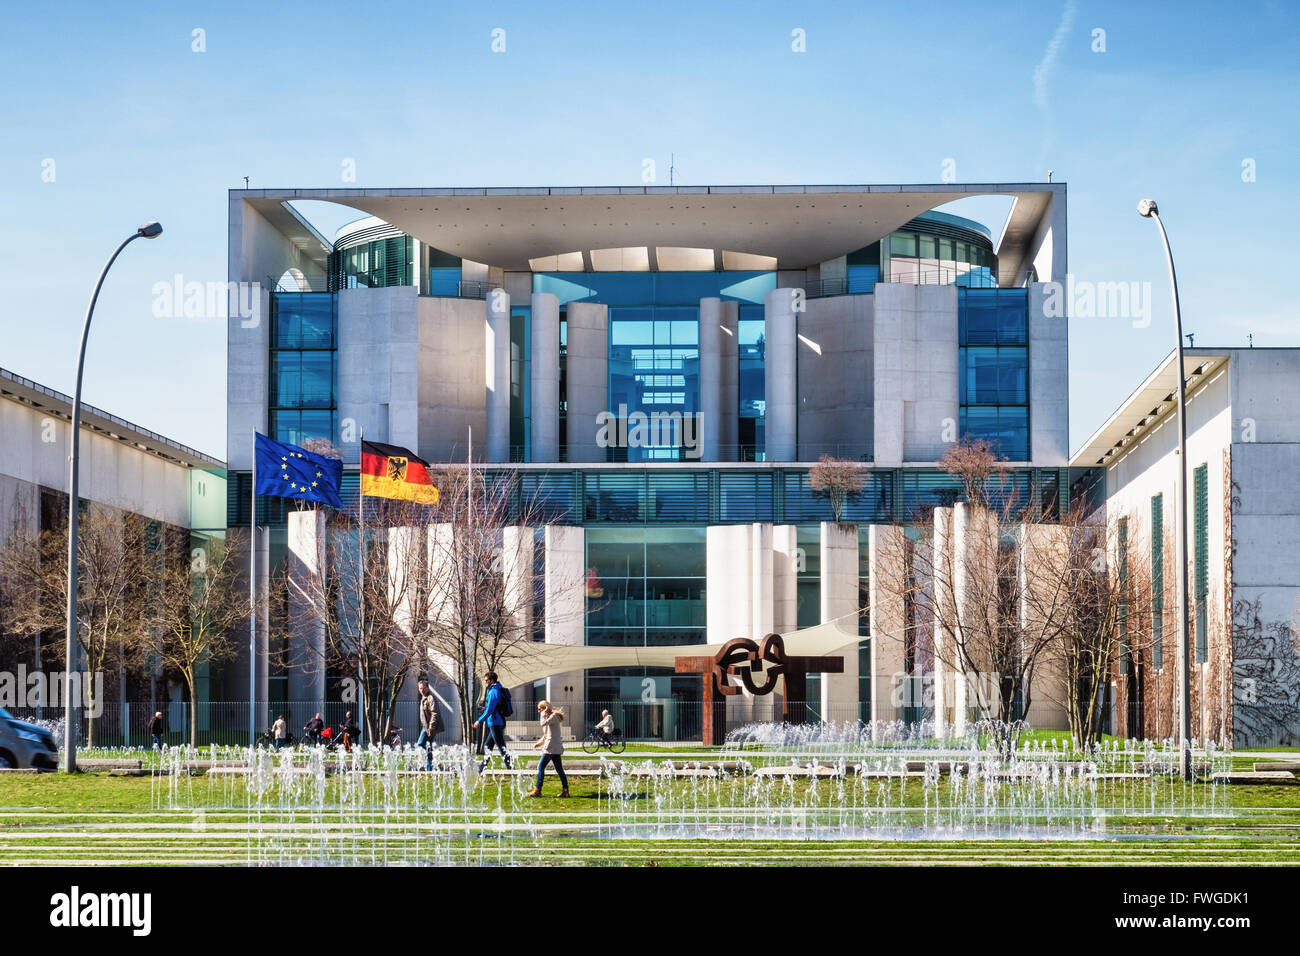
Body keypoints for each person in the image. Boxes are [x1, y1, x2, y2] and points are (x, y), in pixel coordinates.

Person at [471, 671, 513, 773]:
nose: (485, 682)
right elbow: (492, 707)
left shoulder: (494, 692)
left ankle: (512, 769)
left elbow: (490, 710)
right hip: (495, 722)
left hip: (496, 723)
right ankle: (482, 767)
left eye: (486, 680)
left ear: (491, 680)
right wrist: (485, 708)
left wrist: (479, 721)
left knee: (501, 748)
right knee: (487, 746)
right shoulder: (495, 690)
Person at [528, 700, 568, 798]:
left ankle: (537, 790)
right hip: (553, 747)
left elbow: (543, 724)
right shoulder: (551, 717)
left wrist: (543, 714)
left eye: (539, 709)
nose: (538, 711)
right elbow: (546, 734)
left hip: (551, 748)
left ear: (545, 708)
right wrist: (538, 744)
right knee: (559, 770)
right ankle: (565, 791)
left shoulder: (553, 717)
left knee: (540, 767)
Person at [416, 677, 443, 771]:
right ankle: (429, 767)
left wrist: (431, 727)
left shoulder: (430, 698)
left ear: (428, 688)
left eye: (423, 688)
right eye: (420, 688)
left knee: (420, 744)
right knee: (428, 746)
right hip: (426, 726)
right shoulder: (423, 698)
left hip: (430, 727)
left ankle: (430, 763)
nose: (422, 690)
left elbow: (435, 713)